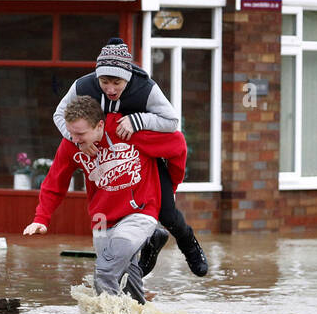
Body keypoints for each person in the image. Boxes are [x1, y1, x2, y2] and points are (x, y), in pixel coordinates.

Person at [51, 37, 209, 277]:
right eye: (104, 82)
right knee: (112, 219)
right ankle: (147, 248)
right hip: (105, 156)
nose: (111, 89)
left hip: (146, 154)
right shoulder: (82, 86)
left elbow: (172, 122)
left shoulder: (146, 88)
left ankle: (189, 245)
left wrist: (139, 121)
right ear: (97, 77)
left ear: (128, 77)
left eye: (117, 82)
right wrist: (76, 141)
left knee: (167, 213)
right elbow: (59, 115)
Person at [25, 94, 187, 304]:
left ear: (100, 125)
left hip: (138, 212)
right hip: (102, 219)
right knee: (126, 281)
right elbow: (54, 182)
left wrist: (169, 189)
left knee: (105, 272)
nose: (74, 139)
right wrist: (41, 218)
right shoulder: (71, 145)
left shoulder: (126, 131)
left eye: (80, 134)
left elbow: (178, 145)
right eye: (71, 133)